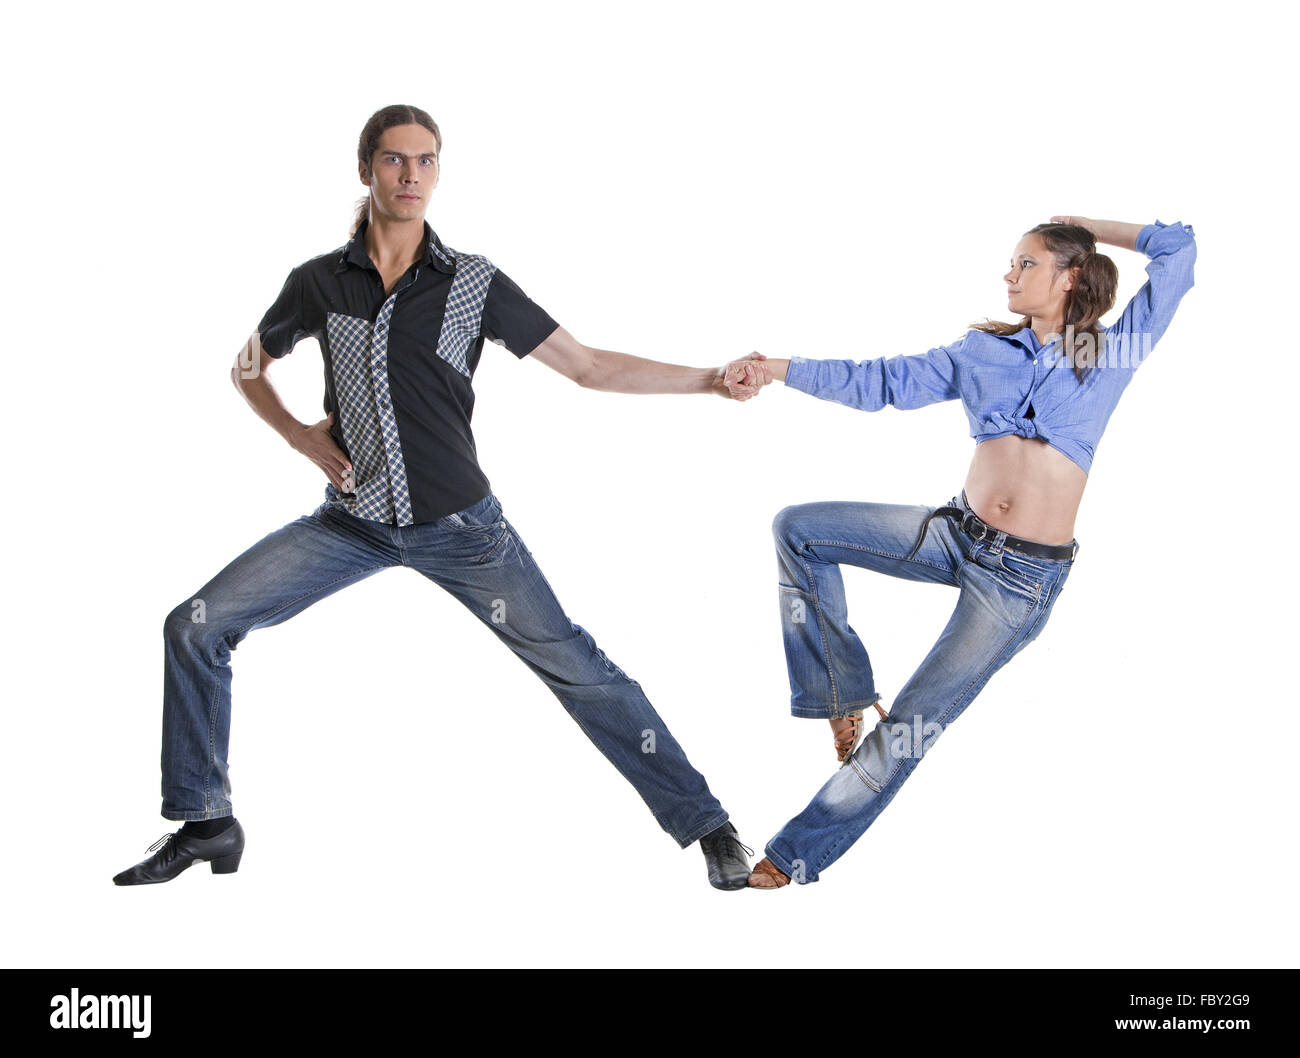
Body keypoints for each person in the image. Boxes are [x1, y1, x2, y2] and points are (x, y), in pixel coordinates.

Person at [113, 104, 765, 890]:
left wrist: (706, 382)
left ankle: (709, 827)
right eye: (394, 160)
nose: (411, 175)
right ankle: (206, 821)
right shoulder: (317, 282)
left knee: (581, 671)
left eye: (426, 161)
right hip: (349, 523)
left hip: (463, 531)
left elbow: (588, 366)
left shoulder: (472, 284)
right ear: (366, 170)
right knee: (194, 625)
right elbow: (248, 364)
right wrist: (299, 435)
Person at [725, 214, 1196, 887]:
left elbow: (1178, 250)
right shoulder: (982, 352)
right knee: (798, 527)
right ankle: (841, 689)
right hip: (955, 533)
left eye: (1026, 263)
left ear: (1069, 276)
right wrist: (774, 368)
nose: (1009, 273)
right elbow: (879, 382)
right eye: (1012, 262)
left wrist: (1079, 223)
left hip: (1019, 582)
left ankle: (795, 855)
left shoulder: (1111, 353)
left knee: (913, 726)